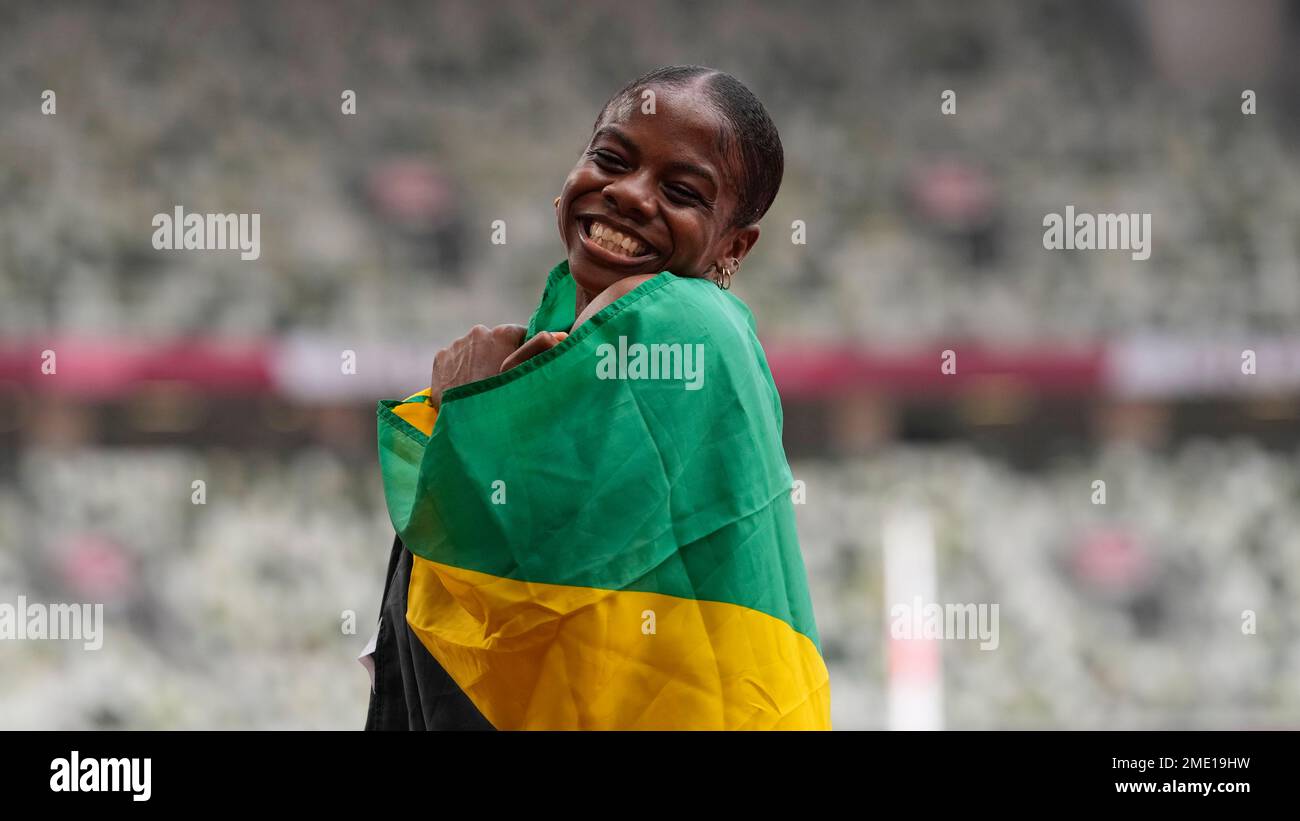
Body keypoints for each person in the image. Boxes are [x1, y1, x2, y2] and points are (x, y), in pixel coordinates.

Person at [365, 65, 830, 730]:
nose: (630, 195)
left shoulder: (687, 328)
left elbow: (516, 588)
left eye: (682, 191)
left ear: (735, 245)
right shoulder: (567, 354)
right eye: (611, 158)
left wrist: (466, 411)